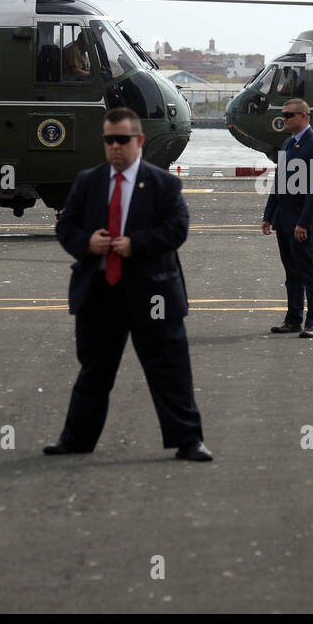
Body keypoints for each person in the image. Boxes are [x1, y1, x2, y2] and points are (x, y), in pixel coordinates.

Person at [44, 107, 211, 462]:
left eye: (122, 140)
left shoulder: (163, 183)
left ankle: (189, 440)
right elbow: (66, 227)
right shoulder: (88, 181)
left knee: (170, 370)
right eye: (109, 140)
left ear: (139, 141)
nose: (115, 147)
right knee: (94, 372)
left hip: (153, 295)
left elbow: (176, 229)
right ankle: (76, 439)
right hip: (100, 292)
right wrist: (87, 242)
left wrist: (136, 244)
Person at [262, 98, 313, 339]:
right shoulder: (288, 144)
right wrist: (268, 215)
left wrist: (305, 223)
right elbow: (280, 181)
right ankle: (293, 320)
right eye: (284, 115)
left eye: (289, 115)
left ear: (304, 116)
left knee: (308, 273)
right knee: (291, 274)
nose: (285, 119)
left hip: (302, 223)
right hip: (284, 219)